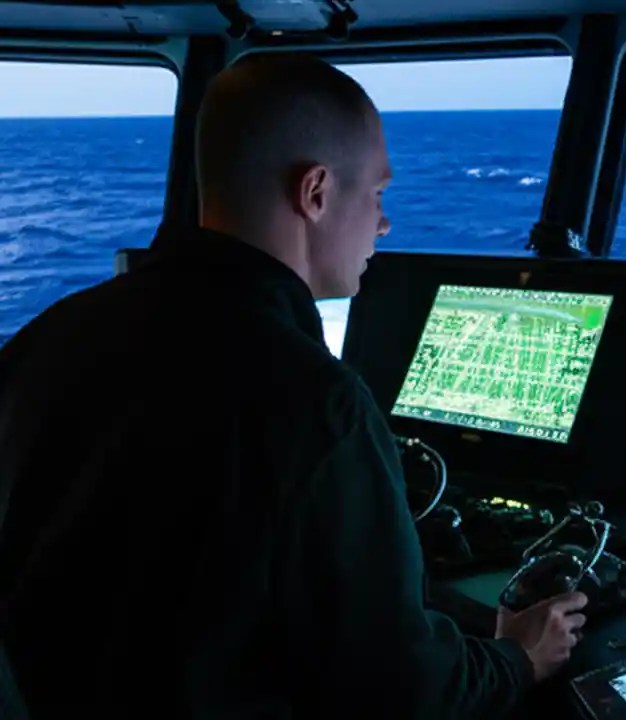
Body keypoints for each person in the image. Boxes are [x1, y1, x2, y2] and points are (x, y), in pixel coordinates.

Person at [0, 52, 586, 718]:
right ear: (315, 193)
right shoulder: (317, 405)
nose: (383, 222)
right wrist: (516, 658)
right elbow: (404, 690)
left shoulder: (46, 338)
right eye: (378, 195)